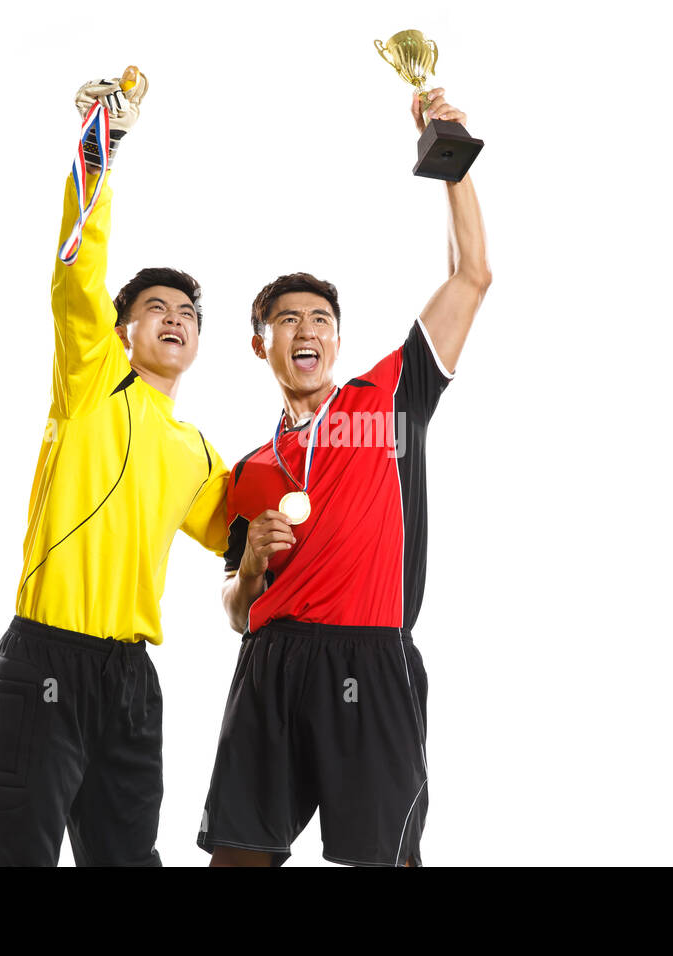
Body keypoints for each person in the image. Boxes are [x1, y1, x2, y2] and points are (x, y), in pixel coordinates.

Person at [197, 90, 490, 866]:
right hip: (269, 667)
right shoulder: (248, 474)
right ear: (261, 346)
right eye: (288, 320)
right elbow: (235, 611)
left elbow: (473, 276)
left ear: (336, 341)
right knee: (236, 857)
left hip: (369, 656)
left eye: (320, 320)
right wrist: (253, 564)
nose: (306, 330)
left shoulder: (390, 397)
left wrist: (449, 151)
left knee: (377, 861)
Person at [0, 77, 230, 866]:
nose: (176, 318)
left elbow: (249, 542)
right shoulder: (90, 379)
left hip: (130, 683)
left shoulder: (197, 453)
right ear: (122, 332)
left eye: (188, 313)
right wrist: (99, 146)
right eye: (158, 307)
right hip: (46, 657)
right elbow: (76, 270)